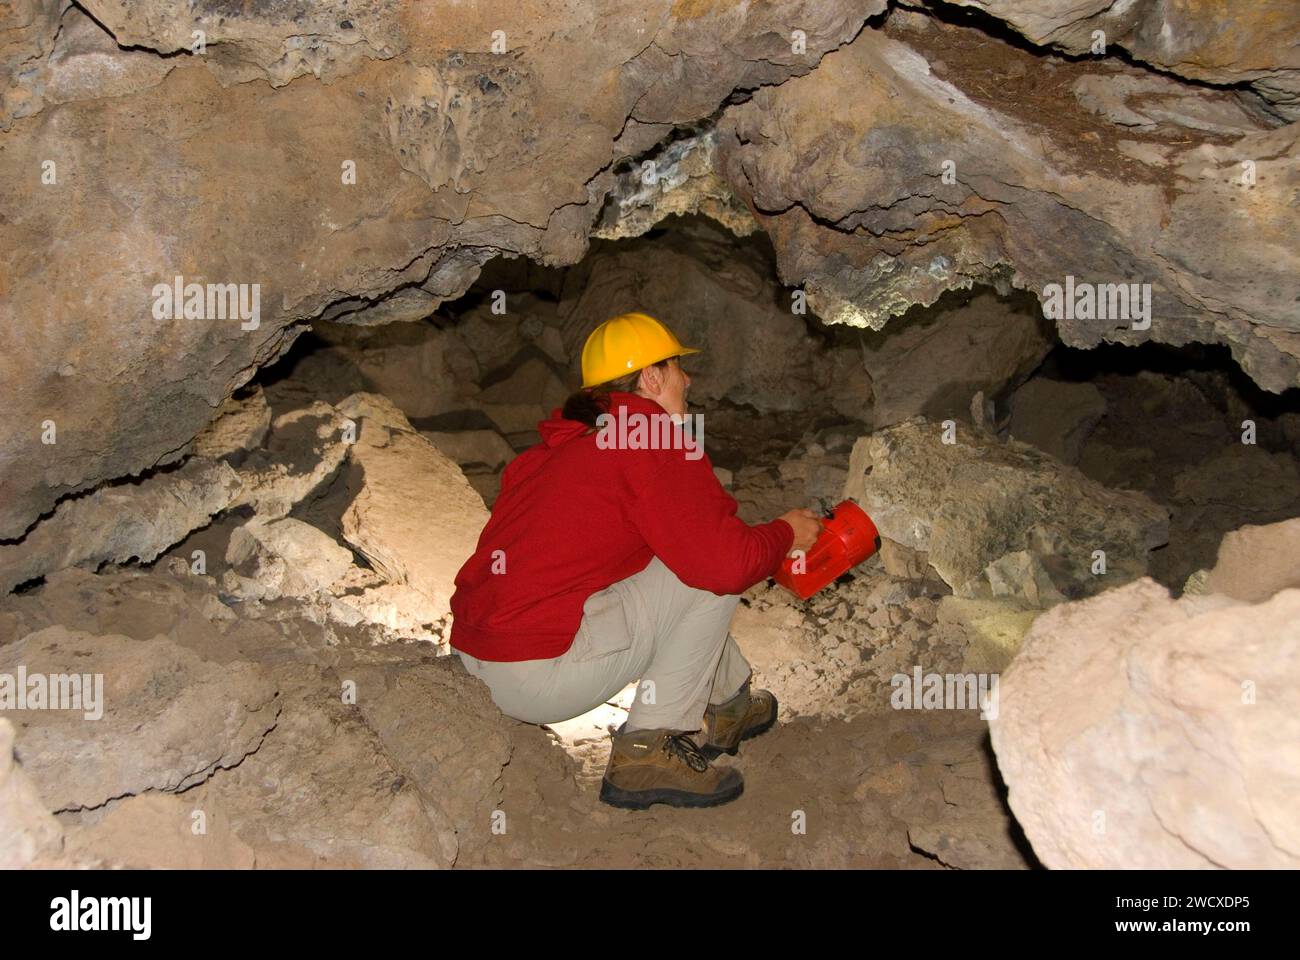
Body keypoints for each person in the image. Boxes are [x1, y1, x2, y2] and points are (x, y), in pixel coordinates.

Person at [449, 311, 822, 809]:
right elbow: (724, 564)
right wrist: (786, 534)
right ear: (651, 377)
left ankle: (728, 702)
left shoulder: (559, 450)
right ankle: (649, 749)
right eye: (676, 367)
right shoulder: (649, 437)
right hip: (537, 676)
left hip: (475, 662)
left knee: (677, 555)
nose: (686, 380)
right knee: (711, 569)